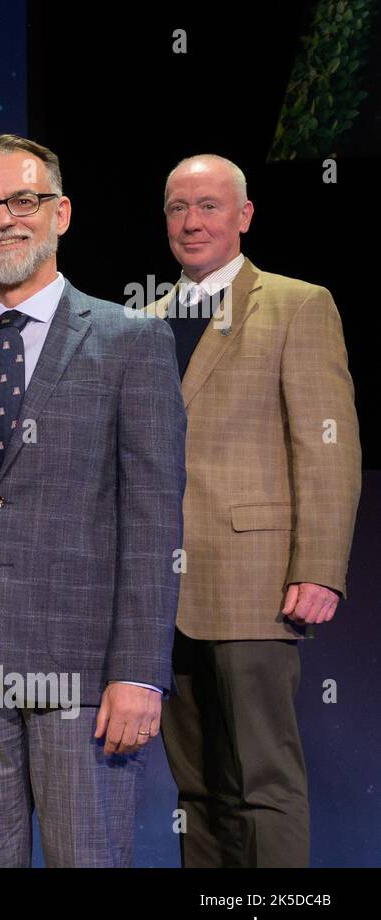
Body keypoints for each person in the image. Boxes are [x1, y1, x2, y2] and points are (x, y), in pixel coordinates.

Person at [0, 134, 187, 867]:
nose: (5, 219)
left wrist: (140, 670)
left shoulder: (132, 342)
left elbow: (153, 522)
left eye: (24, 200)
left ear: (61, 213)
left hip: (86, 678)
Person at [147, 154, 361, 867]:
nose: (192, 221)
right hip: (160, 592)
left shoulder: (299, 303)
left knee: (262, 780)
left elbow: (327, 445)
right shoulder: (140, 323)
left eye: (209, 205)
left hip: (254, 580)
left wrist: (321, 569)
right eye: (179, 207)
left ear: (244, 216)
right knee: (196, 788)